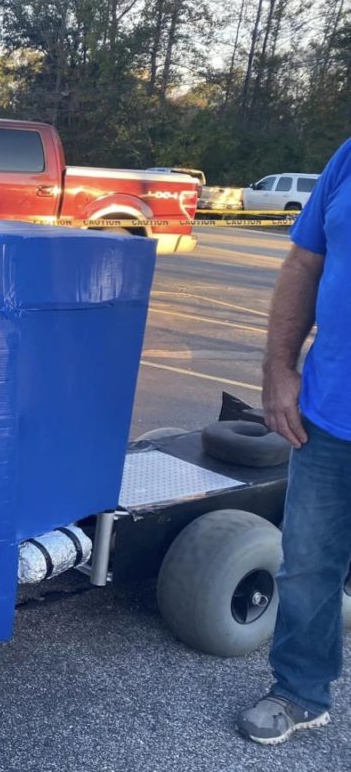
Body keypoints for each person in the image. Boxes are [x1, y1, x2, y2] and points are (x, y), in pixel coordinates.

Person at [237, 138, 351, 745]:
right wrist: (278, 369)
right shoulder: (349, 157)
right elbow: (306, 263)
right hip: (332, 414)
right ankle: (301, 691)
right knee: (309, 565)